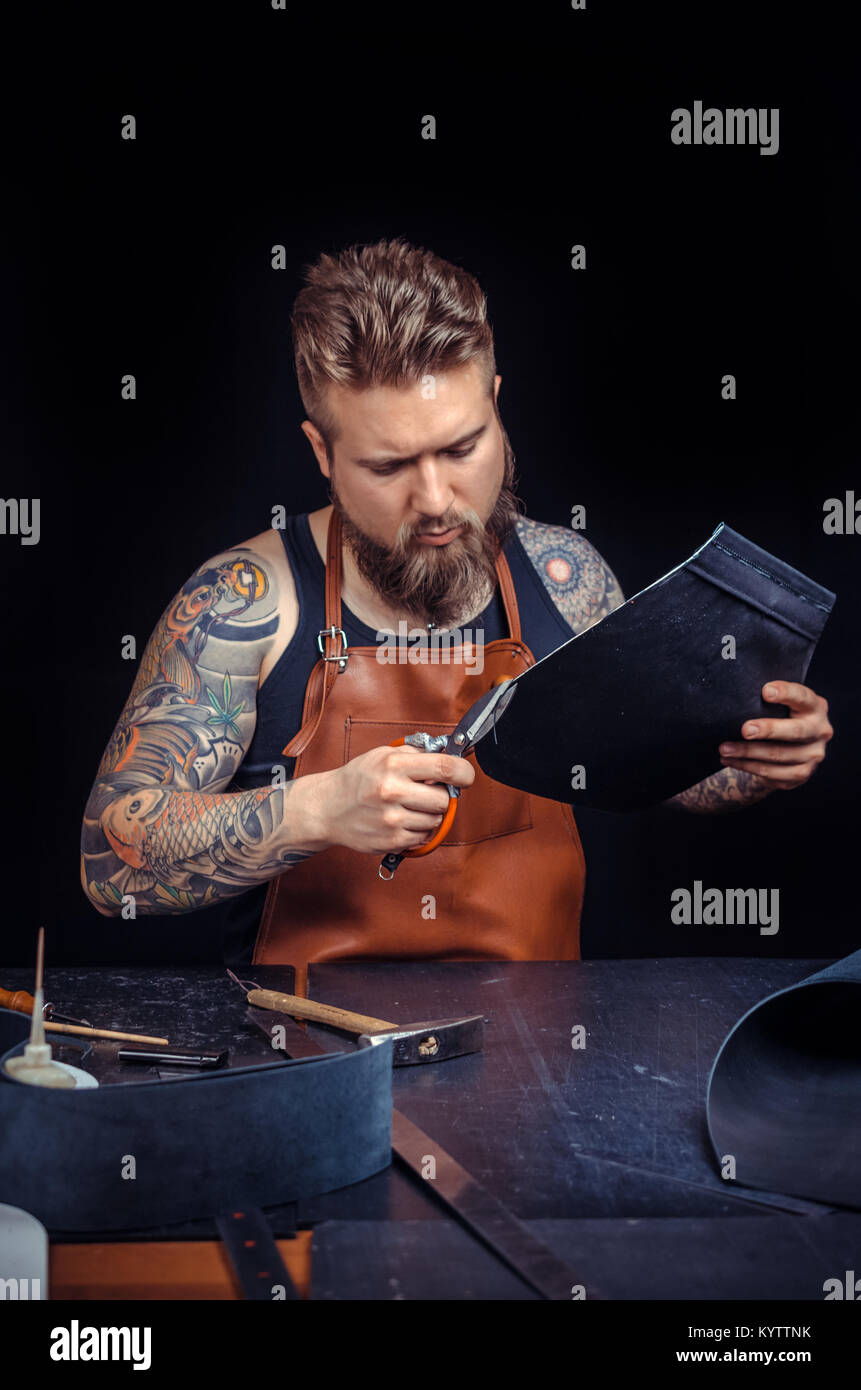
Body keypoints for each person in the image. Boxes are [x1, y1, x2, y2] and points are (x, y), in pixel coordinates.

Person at [80, 239, 833, 991]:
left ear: (495, 405)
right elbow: (113, 870)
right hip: (309, 1058)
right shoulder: (245, 599)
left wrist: (756, 756)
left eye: (462, 447)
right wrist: (317, 809)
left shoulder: (563, 578)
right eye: (388, 466)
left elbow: (665, 776)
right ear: (321, 452)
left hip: (542, 1055)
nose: (436, 500)